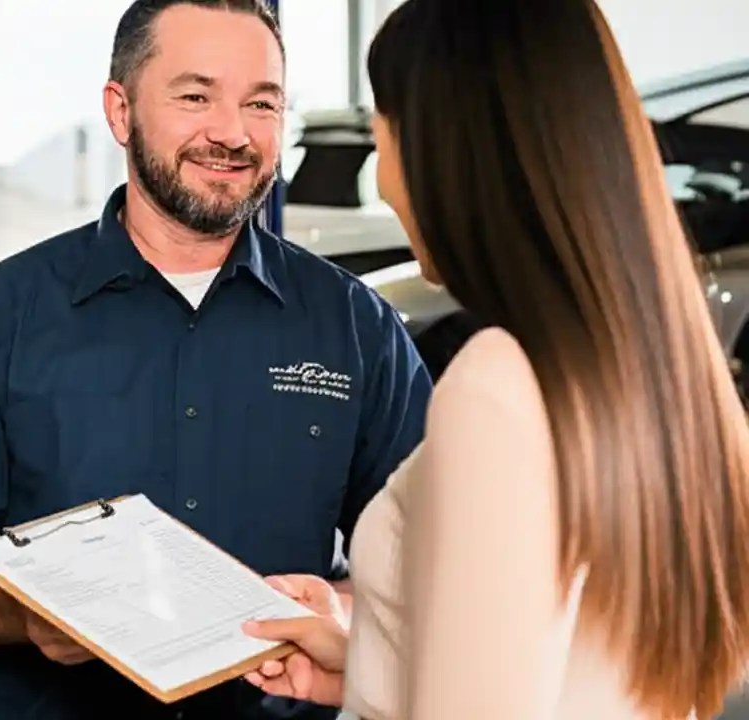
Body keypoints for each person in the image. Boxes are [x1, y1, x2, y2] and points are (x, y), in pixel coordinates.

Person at [0, 1, 432, 718]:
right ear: (120, 109)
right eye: (195, 96)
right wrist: (37, 615)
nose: (231, 133)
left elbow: (427, 560)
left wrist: (336, 608)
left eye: (261, 103)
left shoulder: (357, 327)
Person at [241, 1, 749, 718]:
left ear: (444, 154)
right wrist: (366, 660)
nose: (384, 183)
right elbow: (573, 664)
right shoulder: (670, 385)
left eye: (383, 142)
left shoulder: (497, 385)